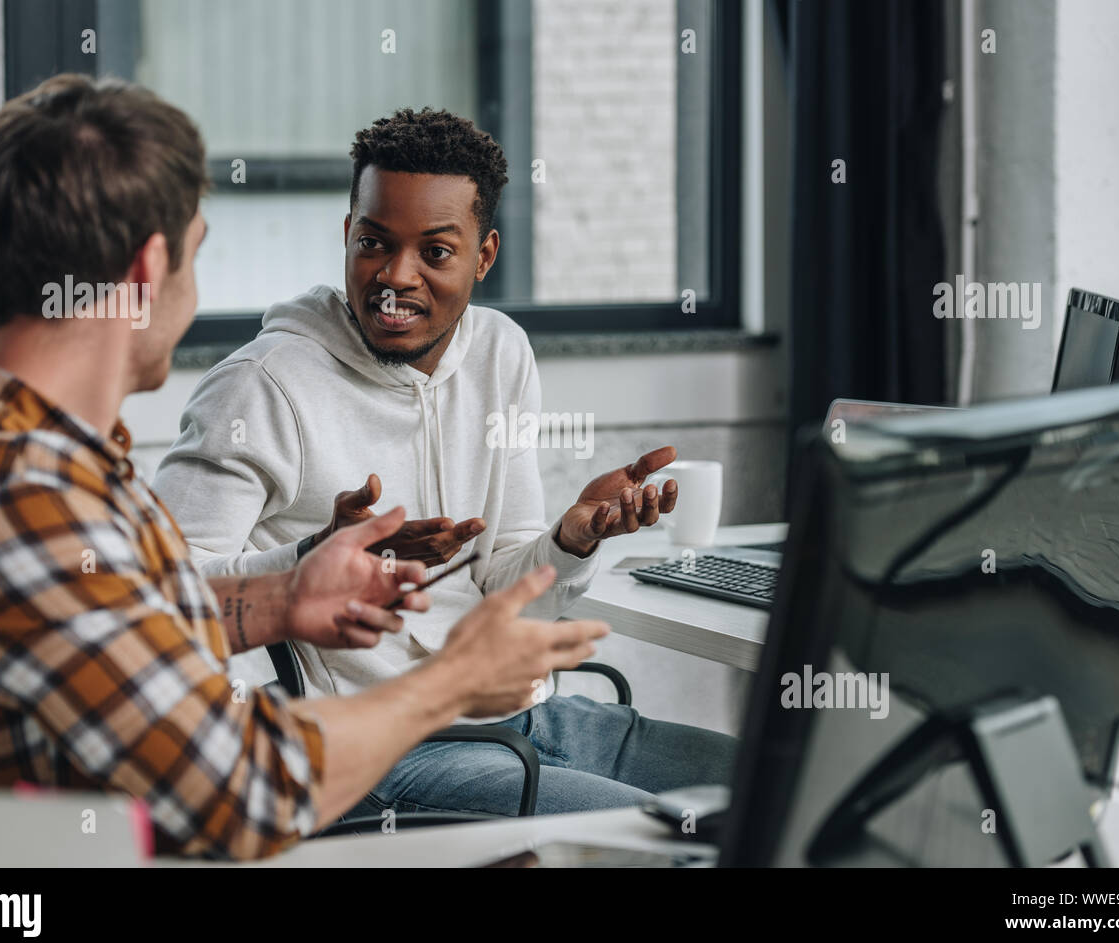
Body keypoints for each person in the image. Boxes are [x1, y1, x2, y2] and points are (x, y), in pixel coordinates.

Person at [0, 75, 608, 860]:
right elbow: (242, 794)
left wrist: (283, 595)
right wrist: (451, 682)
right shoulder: (26, 502)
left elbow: (118, 630)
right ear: (145, 270)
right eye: (194, 257)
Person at [152, 108, 737, 818]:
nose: (396, 277)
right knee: (671, 840)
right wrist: (309, 560)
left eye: (435, 252)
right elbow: (160, 602)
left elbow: (507, 597)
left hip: (526, 717)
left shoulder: (501, 354)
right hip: (388, 754)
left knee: (783, 783)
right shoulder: (262, 385)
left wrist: (571, 541)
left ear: (483, 256)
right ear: (346, 235)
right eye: (374, 242)